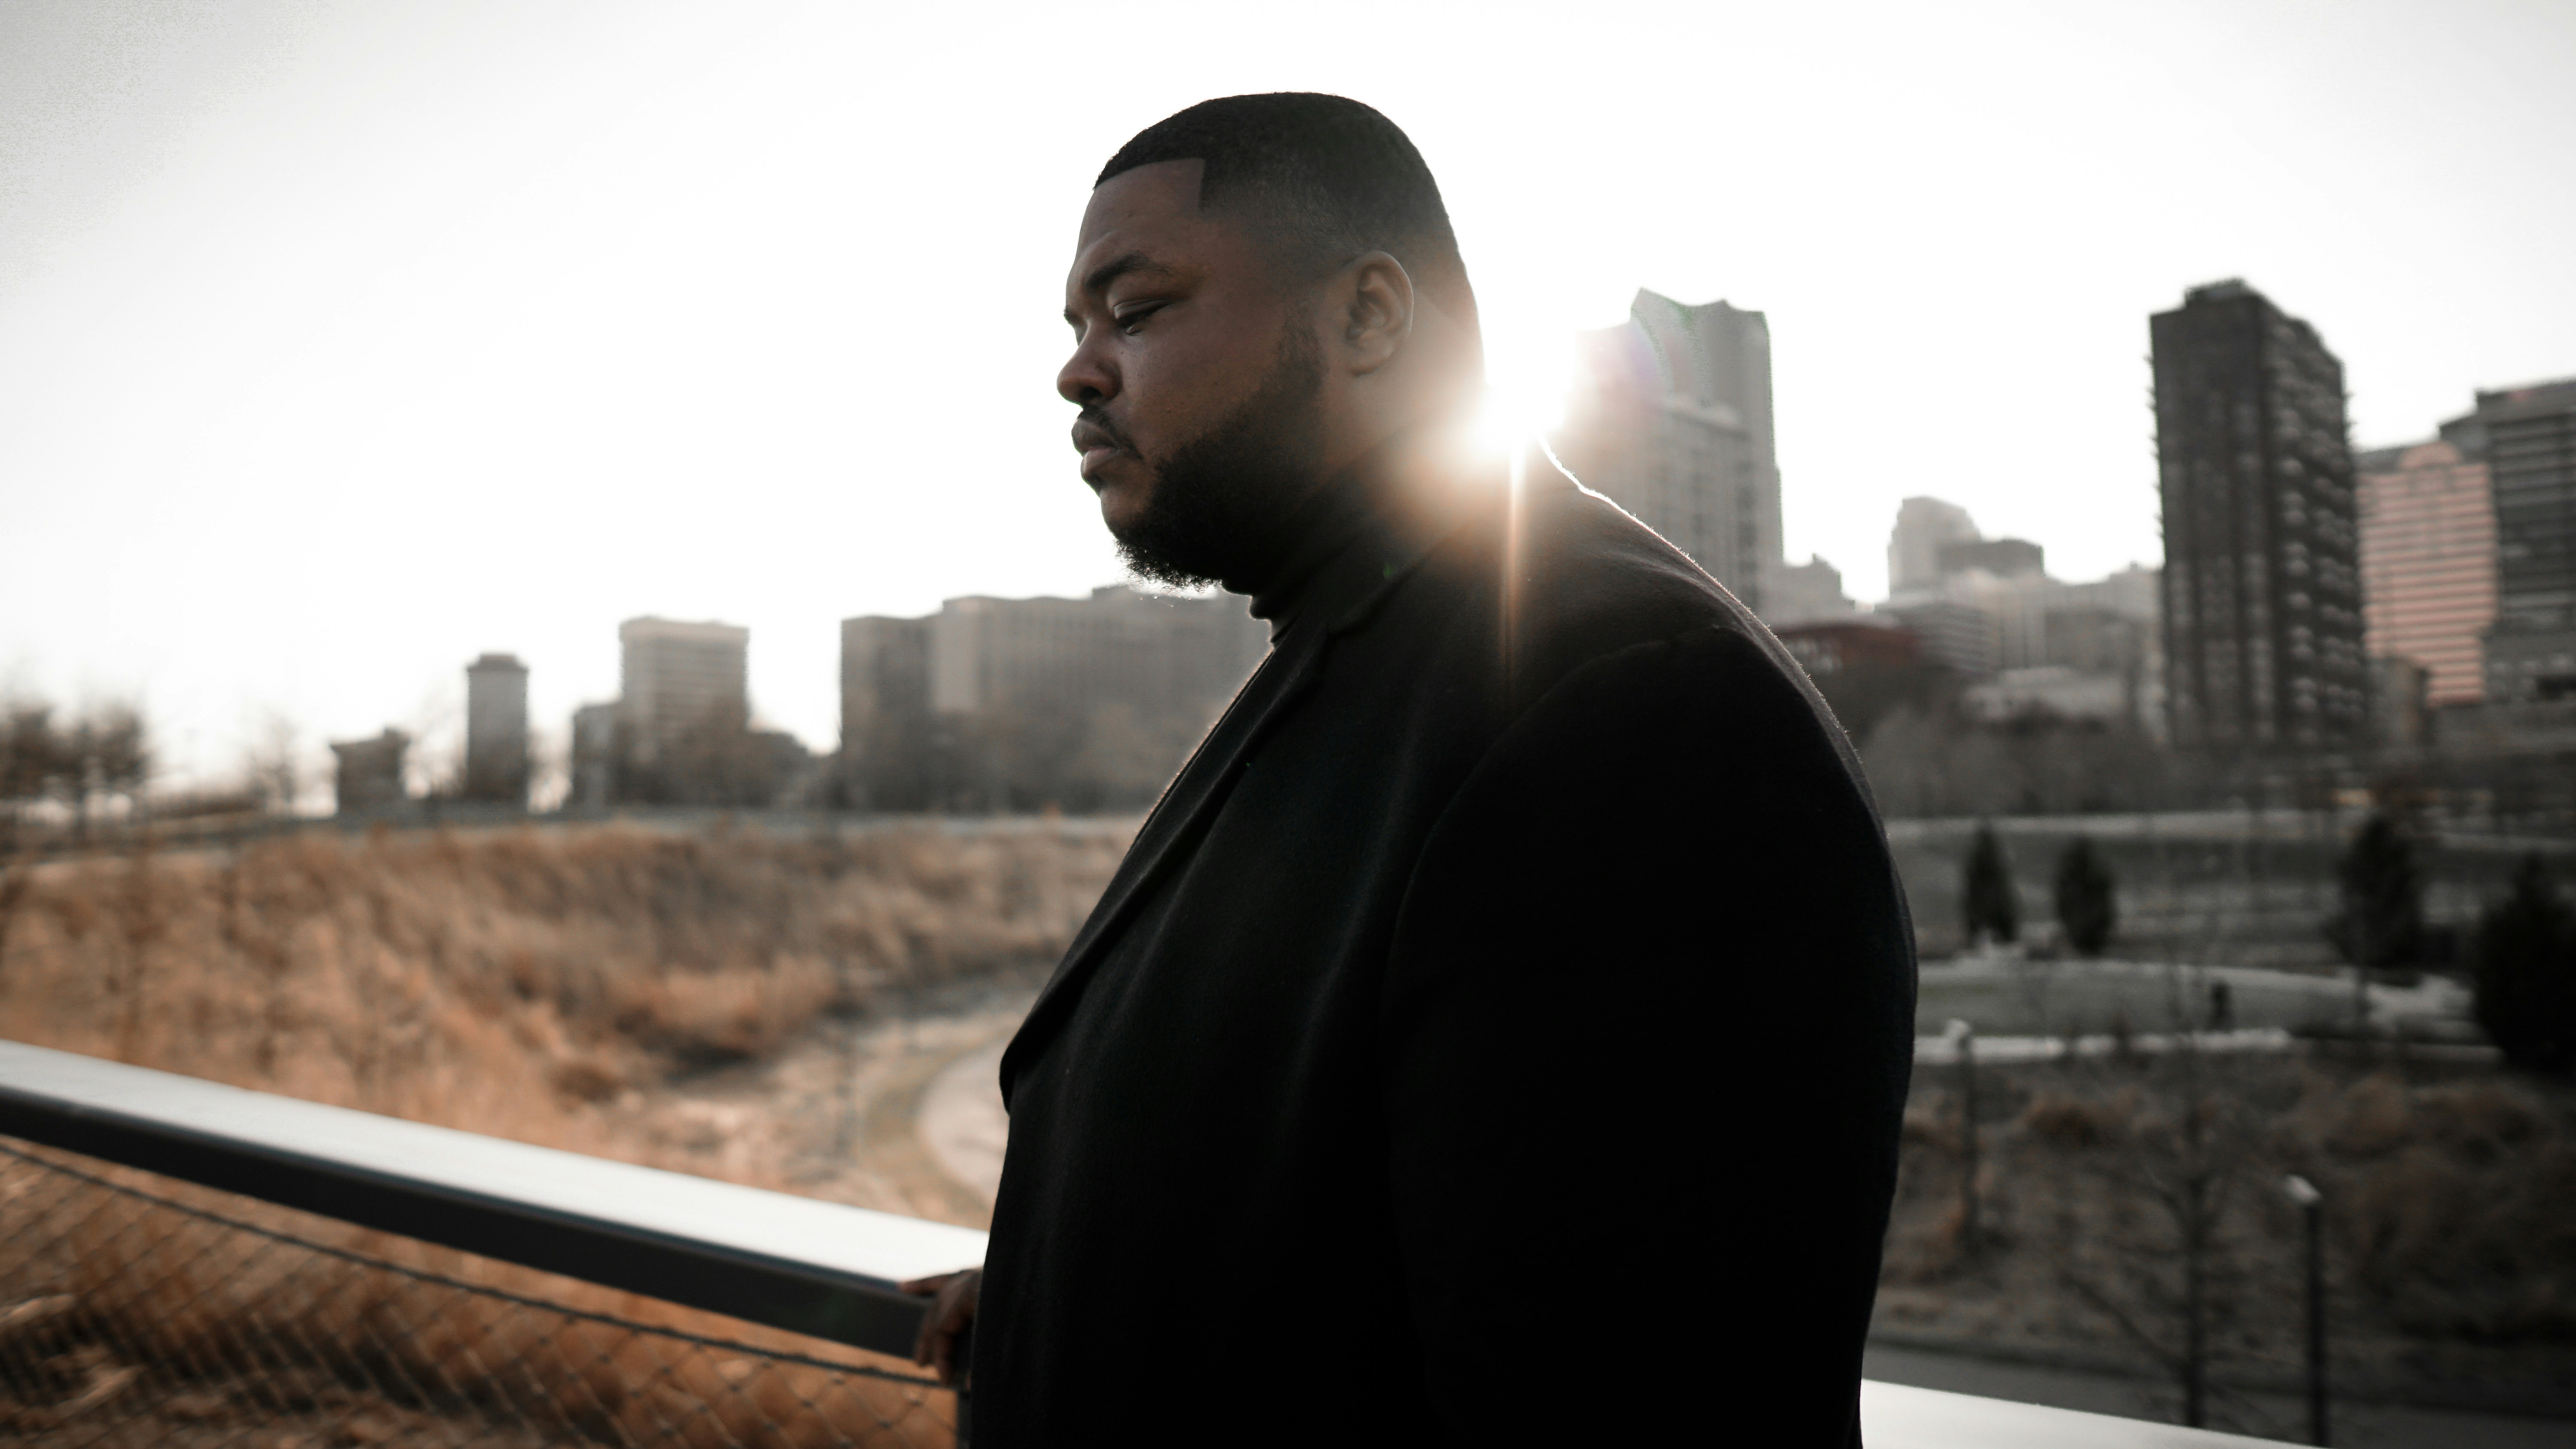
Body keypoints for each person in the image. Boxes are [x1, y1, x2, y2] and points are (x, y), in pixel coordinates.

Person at [902, 93, 1917, 1445]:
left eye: (1135, 311)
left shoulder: (1627, 706)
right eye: (1077, 328)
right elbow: (1330, 1216)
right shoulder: (1359, 656)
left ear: (1370, 316)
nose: (1079, 374)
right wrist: (1058, 1292)